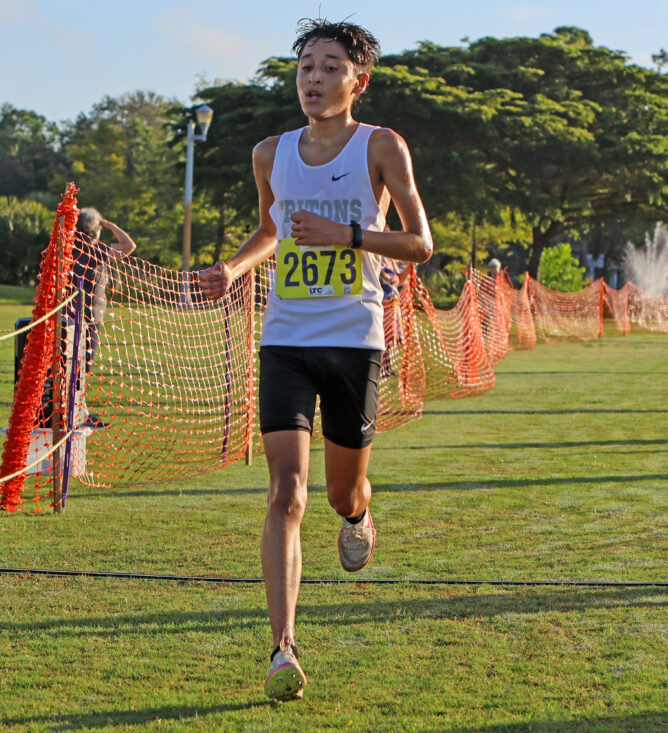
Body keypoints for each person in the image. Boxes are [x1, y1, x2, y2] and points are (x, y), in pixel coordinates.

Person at [198, 18, 433, 702]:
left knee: (338, 493)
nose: (314, 79)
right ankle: (282, 648)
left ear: (359, 80)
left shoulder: (381, 146)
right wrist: (237, 267)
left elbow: (420, 242)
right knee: (285, 492)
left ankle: (359, 516)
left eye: (331, 67)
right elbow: (272, 227)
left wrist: (349, 234)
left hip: (355, 340)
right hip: (287, 339)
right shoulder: (271, 152)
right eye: (306, 66)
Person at [70, 208, 136, 428]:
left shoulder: (70, 249)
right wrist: (110, 225)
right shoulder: (96, 250)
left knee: (73, 368)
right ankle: (76, 414)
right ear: (95, 231)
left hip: (70, 317)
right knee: (82, 368)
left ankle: (77, 411)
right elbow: (129, 246)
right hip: (89, 319)